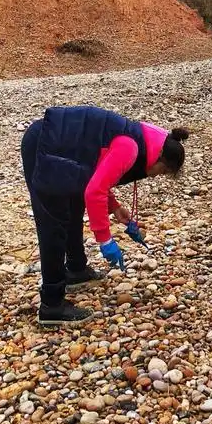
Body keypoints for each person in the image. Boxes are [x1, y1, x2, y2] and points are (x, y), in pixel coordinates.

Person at [21, 106, 189, 326]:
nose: (158, 176)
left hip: (62, 149)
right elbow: (94, 191)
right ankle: (51, 306)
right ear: (160, 157)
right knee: (53, 222)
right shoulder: (130, 147)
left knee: (74, 205)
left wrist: (115, 207)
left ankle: (76, 270)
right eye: (163, 171)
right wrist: (105, 240)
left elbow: (95, 169)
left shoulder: (142, 141)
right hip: (45, 146)